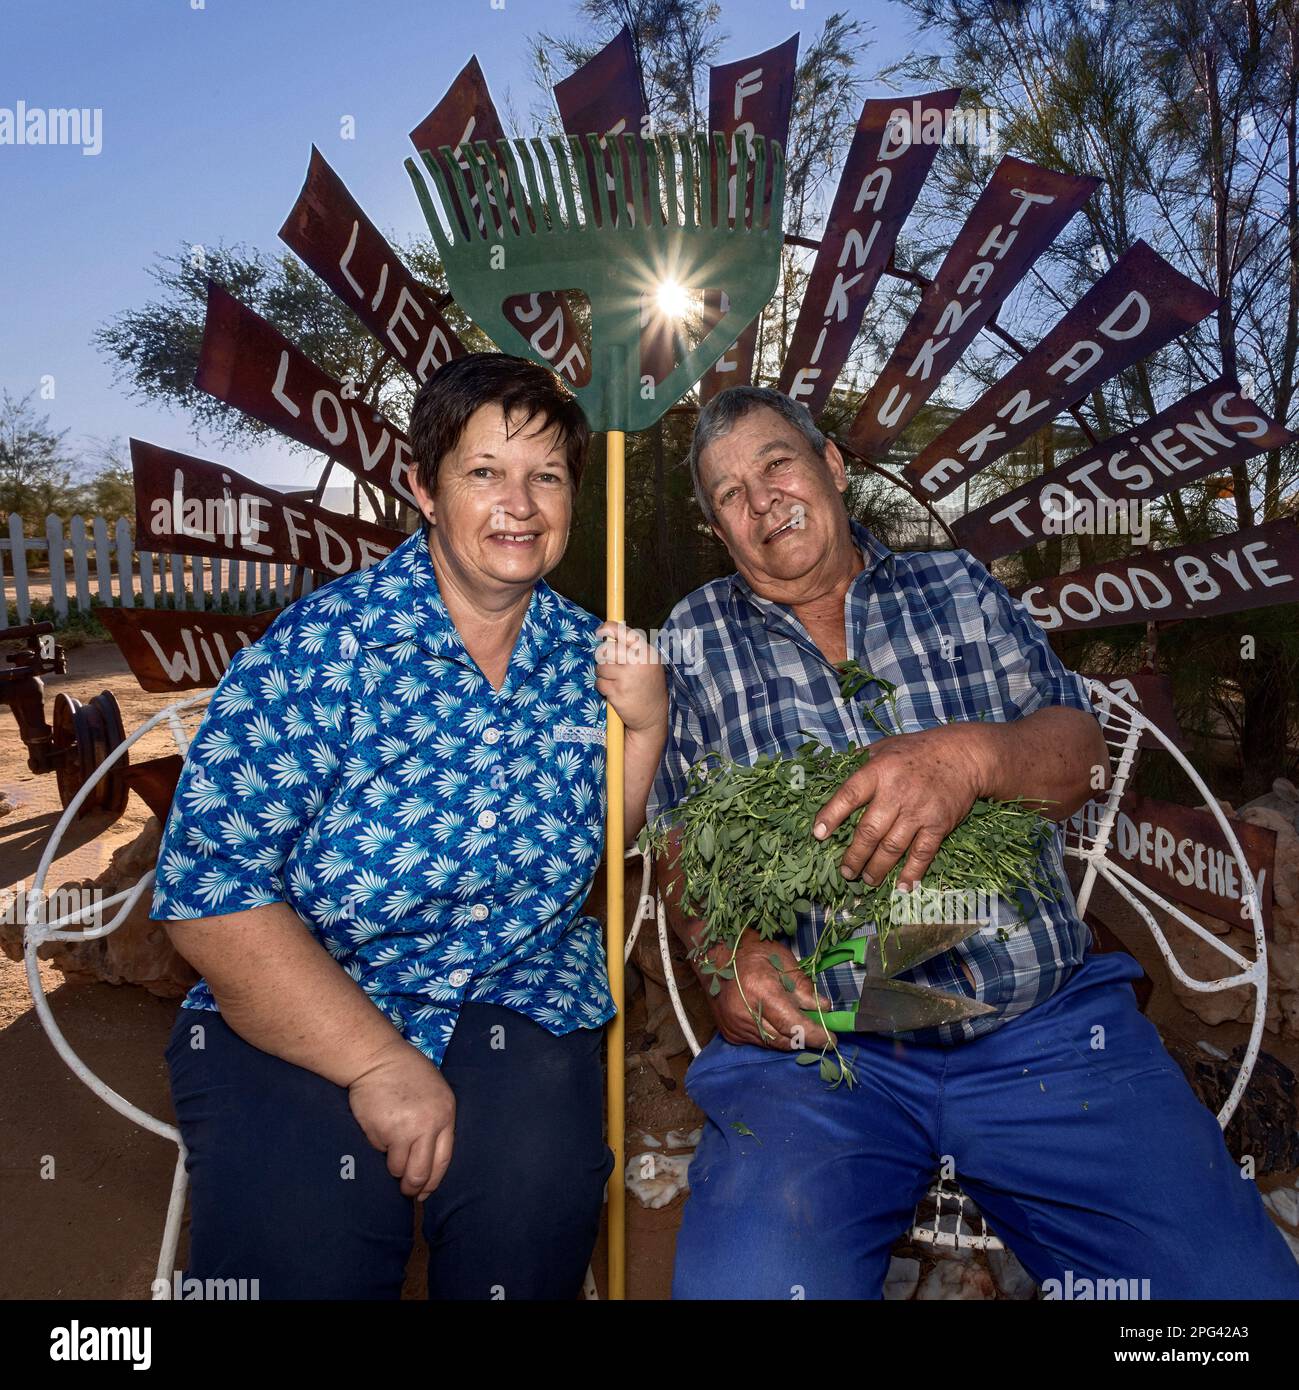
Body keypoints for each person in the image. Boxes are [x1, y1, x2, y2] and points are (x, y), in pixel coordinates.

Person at [649, 384, 1299, 1300]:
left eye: (776, 464)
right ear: (719, 531)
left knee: (1228, 1296)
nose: (760, 502)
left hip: (1043, 1029)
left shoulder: (954, 586)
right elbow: (677, 834)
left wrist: (966, 757)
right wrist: (727, 956)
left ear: (832, 466)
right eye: (728, 494)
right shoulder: (694, 636)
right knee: (754, 1282)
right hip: (824, 1057)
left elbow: (1077, 751)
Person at [151, 353, 666, 1300]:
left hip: (514, 994)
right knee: (303, 1244)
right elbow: (207, 894)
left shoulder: (587, 654)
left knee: (533, 1199)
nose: (519, 502)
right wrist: (381, 1063)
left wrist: (646, 725)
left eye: (546, 475)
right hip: (307, 995)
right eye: (484, 472)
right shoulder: (323, 648)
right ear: (423, 489)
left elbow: (597, 848)